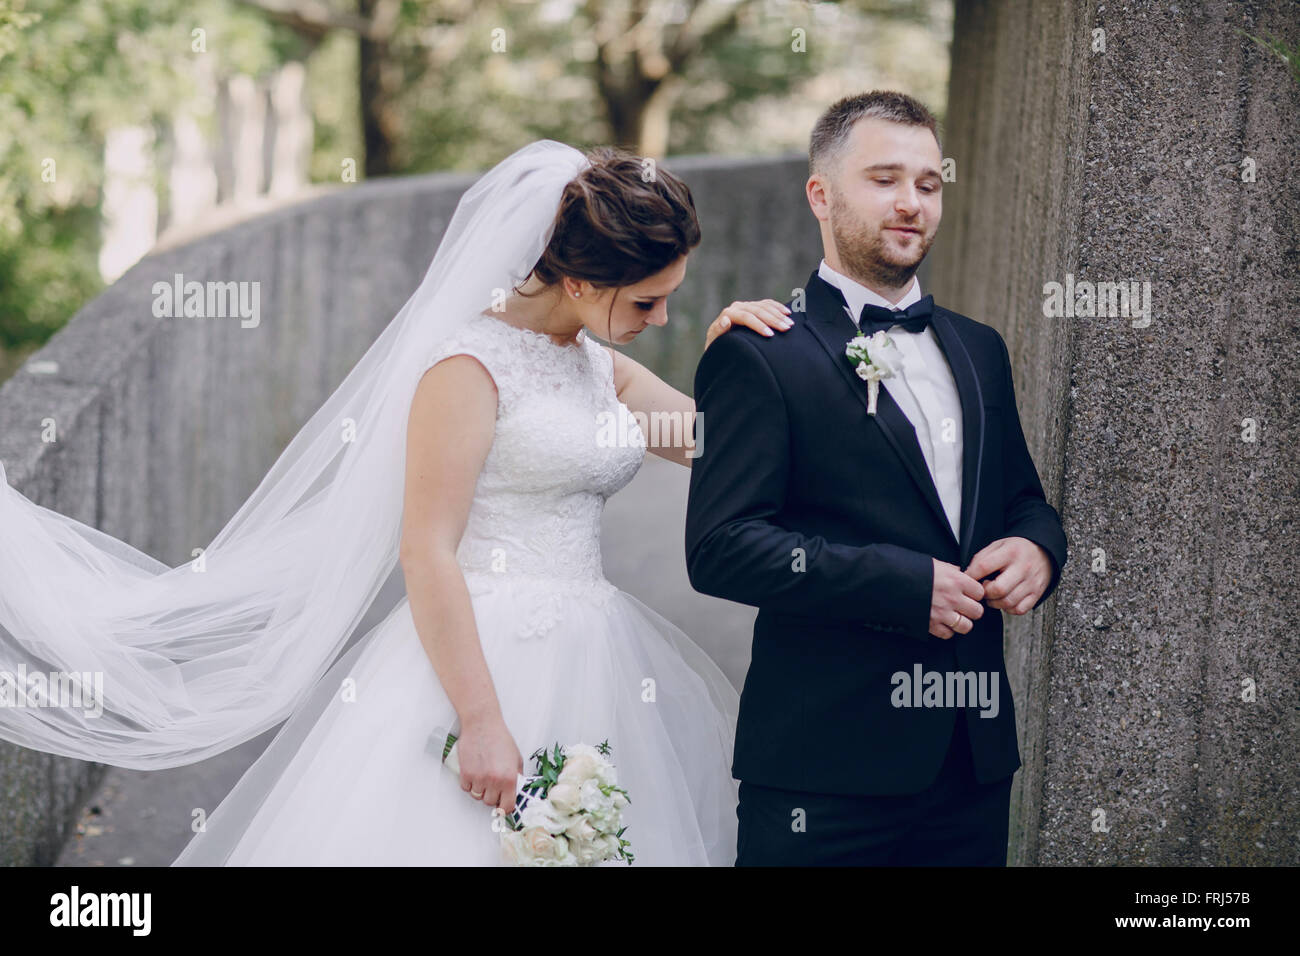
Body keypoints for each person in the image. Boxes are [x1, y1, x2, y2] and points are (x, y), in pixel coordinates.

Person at [0, 141, 790, 865]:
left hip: (595, 651)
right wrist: (479, 720)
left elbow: (708, 442)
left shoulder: (593, 363)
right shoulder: (467, 370)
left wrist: (734, 351)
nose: (661, 321)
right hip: (478, 656)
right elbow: (427, 549)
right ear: (580, 281)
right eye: (646, 303)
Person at [685, 91, 1069, 866]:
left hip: (971, 762)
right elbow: (721, 546)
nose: (911, 203)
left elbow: (1021, 496)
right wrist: (901, 585)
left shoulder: (979, 348)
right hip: (823, 775)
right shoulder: (759, 351)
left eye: (929, 184)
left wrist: (1038, 548)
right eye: (885, 179)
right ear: (821, 196)